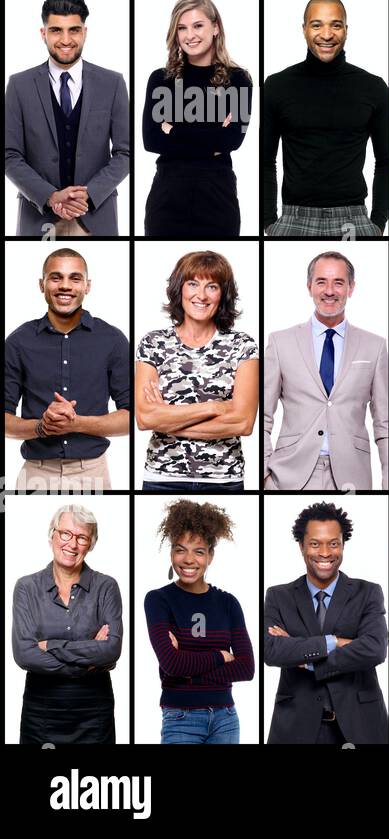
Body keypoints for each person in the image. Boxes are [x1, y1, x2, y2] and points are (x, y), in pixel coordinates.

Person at [261, 0, 389, 237]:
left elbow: (385, 162)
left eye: (336, 25)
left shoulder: (373, 87)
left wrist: (378, 223)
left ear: (346, 30)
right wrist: (269, 222)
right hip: (294, 218)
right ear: (304, 29)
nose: (327, 34)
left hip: (353, 219)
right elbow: (266, 161)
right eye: (317, 24)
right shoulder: (277, 86)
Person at [4, 0, 129, 237]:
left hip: (96, 218)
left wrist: (89, 194)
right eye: (56, 30)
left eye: (73, 30)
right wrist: (49, 196)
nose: (65, 39)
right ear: (44, 34)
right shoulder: (19, 85)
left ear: (84, 32)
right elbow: (9, 154)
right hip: (37, 220)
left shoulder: (112, 83)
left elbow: (126, 152)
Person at [264, 502, 389, 744]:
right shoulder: (279, 595)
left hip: (361, 724)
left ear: (343, 545)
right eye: (315, 544)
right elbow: (271, 651)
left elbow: (374, 649)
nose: (325, 553)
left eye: (334, 544)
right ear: (301, 546)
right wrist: (334, 641)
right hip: (296, 727)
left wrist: (307, 660)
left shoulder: (368, 592)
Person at [5, 248, 130, 493]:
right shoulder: (18, 342)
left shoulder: (112, 340)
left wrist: (77, 424)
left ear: (87, 285)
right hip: (36, 471)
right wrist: (42, 427)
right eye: (55, 277)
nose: (65, 286)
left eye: (74, 278)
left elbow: (131, 417)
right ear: (42, 284)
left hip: (92, 470)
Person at [264, 251, 389, 491]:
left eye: (338, 283)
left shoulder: (375, 346)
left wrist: (387, 481)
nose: (329, 291)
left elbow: (382, 422)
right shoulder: (281, 342)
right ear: (309, 286)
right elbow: (264, 416)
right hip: (289, 476)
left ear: (351, 288)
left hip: (353, 475)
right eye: (321, 282)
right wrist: (265, 475)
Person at [135, 250, 259, 492]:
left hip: (224, 478)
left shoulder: (243, 345)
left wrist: (167, 417)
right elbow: (144, 418)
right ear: (179, 288)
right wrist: (215, 407)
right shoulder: (153, 343)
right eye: (193, 284)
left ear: (223, 294)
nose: (201, 295)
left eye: (212, 286)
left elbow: (243, 423)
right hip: (163, 478)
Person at [143, 500, 255, 743]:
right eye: (180, 549)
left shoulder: (228, 603)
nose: (188, 560)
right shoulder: (158, 600)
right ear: (171, 551)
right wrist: (220, 656)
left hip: (226, 718)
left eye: (199, 551)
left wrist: (188, 673)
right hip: (181, 718)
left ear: (211, 556)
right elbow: (171, 664)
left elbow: (247, 669)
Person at [141, 0, 252, 237]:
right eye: (182, 28)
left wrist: (175, 130)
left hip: (217, 199)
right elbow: (151, 141)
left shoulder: (239, 80)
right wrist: (211, 137)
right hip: (167, 199)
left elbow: (231, 141)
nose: (189, 35)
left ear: (215, 27)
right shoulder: (161, 80)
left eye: (198, 25)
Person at [11, 505, 122, 744]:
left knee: (96, 782)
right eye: (65, 534)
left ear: (90, 544)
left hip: (94, 713)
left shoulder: (106, 587)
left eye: (82, 537)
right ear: (52, 535)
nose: (72, 544)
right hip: (41, 712)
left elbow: (112, 650)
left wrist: (50, 645)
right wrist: (88, 658)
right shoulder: (26, 587)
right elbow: (24, 654)